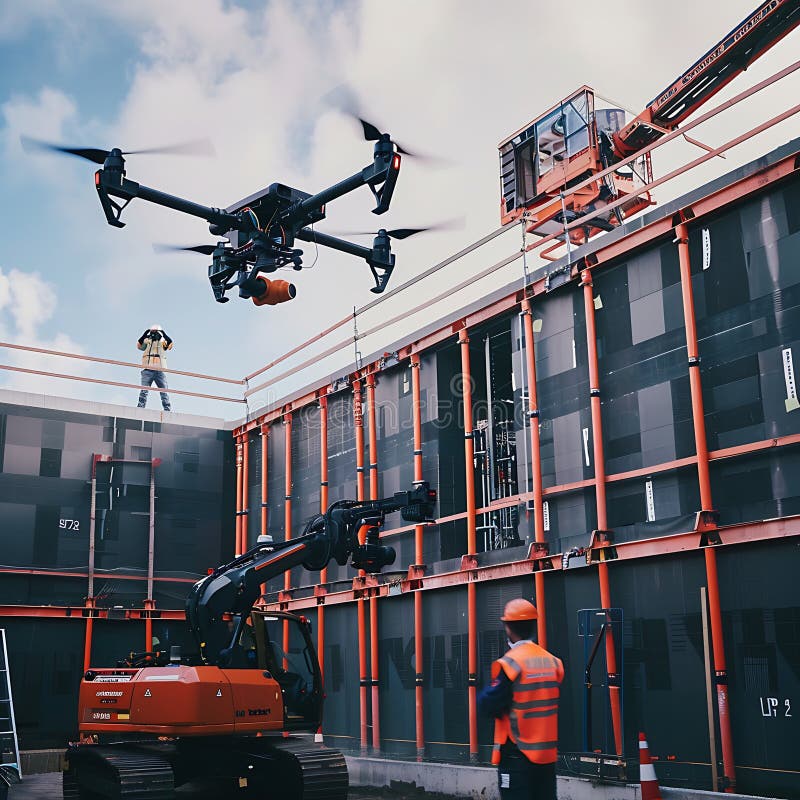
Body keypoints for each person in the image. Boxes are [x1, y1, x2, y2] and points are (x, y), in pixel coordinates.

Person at [478, 599, 564, 800]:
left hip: (517, 755)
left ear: (507, 628)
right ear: (534, 625)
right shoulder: (553, 662)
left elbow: (487, 705)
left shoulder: (511, 663)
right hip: (546, 758)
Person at [137, 324, 173, 411]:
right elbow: (139, 345)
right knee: (144, 391)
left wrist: (162, 334)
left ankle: (167, 410)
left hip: (159, 369)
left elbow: (170, 343)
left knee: (164, 391)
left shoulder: (162, 342)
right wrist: (145, 334)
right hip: (147, 368)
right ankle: (140, 408)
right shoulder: (148, 341)